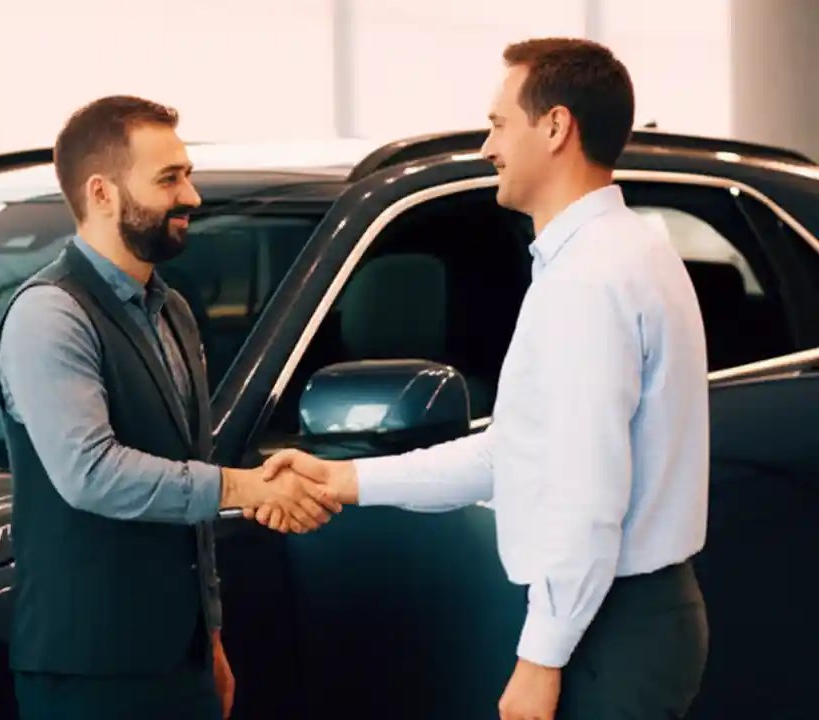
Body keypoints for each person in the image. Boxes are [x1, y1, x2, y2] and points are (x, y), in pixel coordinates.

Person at [260, 38, 710, 720]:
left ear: (555, 127)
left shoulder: (589, 280)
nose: (487, 146)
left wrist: (541, 659)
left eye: (499, 124)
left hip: (609, 626)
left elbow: (585, 492)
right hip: (624, 614)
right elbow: (517, 454)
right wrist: (343, 480)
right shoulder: (616, 252)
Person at [0, 94, 340, 720]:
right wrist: (245, 487)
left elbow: (185, 473)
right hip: (91, 673)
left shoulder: (170, 310)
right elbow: (91, 473)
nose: (191, 196)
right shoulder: (51, 314)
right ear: (102, 194)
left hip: (181, 662)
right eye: (169, 179)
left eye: (187, 175)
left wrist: (210, 637)